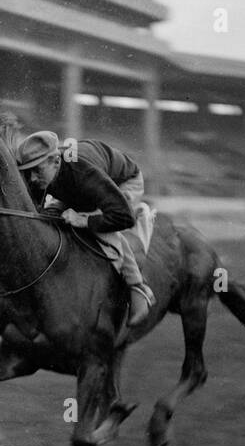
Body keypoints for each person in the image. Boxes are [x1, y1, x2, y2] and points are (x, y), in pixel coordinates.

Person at [15, 131, 156, 325]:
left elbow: (123, 217)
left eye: (37, 170)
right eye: (27, 171)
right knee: (51, 216)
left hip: (122, 183)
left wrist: (84, 220)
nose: (31, 179)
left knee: (103, 230)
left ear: (56, 161)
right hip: (79, 188)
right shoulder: (45, 172)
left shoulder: (83, 172)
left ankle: (138, 288)